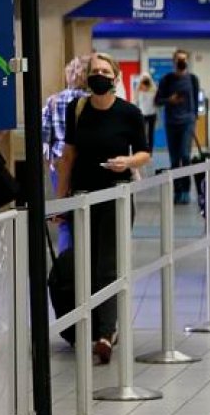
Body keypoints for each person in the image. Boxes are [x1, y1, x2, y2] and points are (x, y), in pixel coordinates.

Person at [55, 52, 150, 365]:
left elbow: (144, 153)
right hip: (83, 197)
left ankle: (106, 334)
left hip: (115, 195)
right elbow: (67, 156)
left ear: (115, 77)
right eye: (94, 71)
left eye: (105, 71)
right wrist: (60, 200)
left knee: (107, 266)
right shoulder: (77, 109)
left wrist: (127, 161)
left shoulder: (129, 113)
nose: (99, 75)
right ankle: (90, 327)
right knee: (83, 265)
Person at [41, 56, 89, 252]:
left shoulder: (54, 101)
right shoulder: (93, 102)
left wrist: (50, 164)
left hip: (59, 164)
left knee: (64, 219)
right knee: (86, 216)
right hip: (85, 164)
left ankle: (67, 268)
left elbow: (44, 138)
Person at [155, 49, 201, 204]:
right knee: (174, 160)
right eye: (178, 59)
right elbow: (158, 100)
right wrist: (170, 100)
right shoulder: (166, 79)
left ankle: (187, 190)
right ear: (173, 61)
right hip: (171, 123)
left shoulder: (193, 79)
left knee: (185, 156)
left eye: (184, 59)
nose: (181, 62)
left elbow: (195, 101)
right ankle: (177, 190)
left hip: (187, 122)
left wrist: (194, 119)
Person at [135, 74, 158, 151]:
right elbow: (135, 101)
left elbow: (156, 98)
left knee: (150, 134)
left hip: (152, 114)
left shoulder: (153, 89)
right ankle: (142, 149)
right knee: (142, 134)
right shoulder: (139, 91)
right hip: (142, 114)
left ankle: (150, 151)